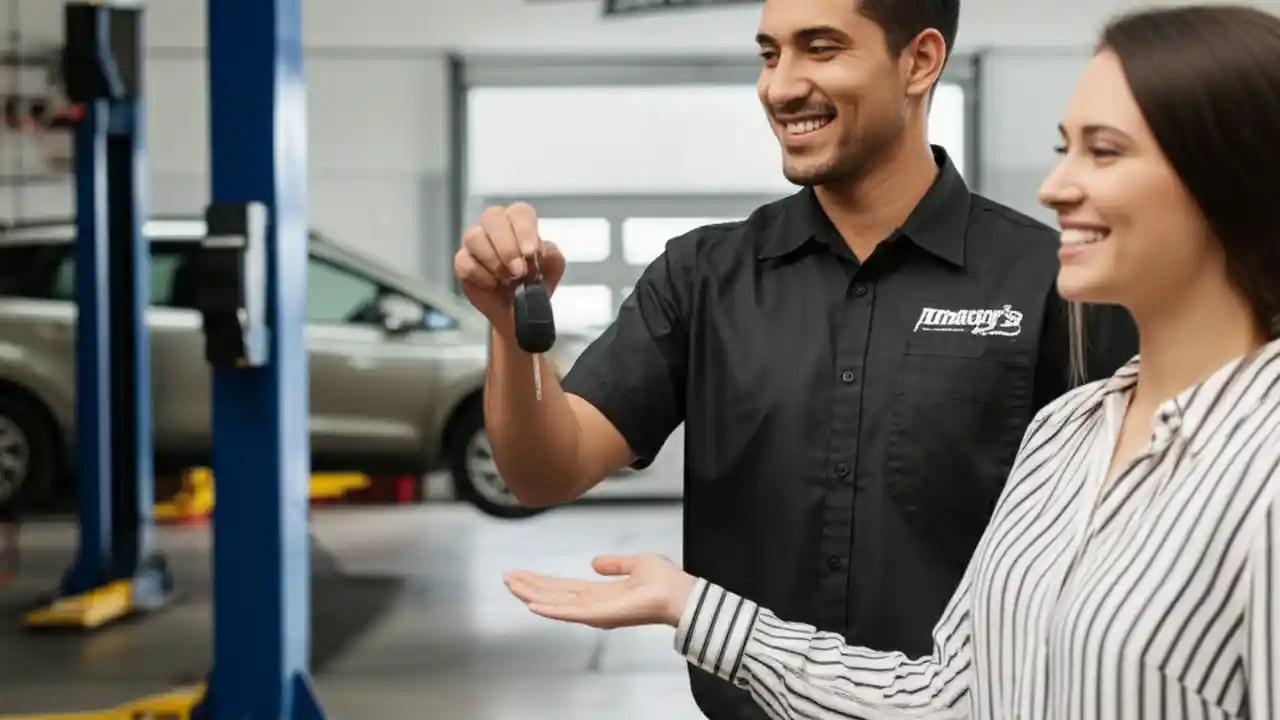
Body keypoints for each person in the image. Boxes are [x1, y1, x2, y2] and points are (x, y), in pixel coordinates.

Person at [502, 4, 1280, 718]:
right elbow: (951, 693)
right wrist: (692, 604)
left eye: (822, 47)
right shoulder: (1067, 434)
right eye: (769, 54)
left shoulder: (1061, 292)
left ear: (920, 61)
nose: (781, 85)